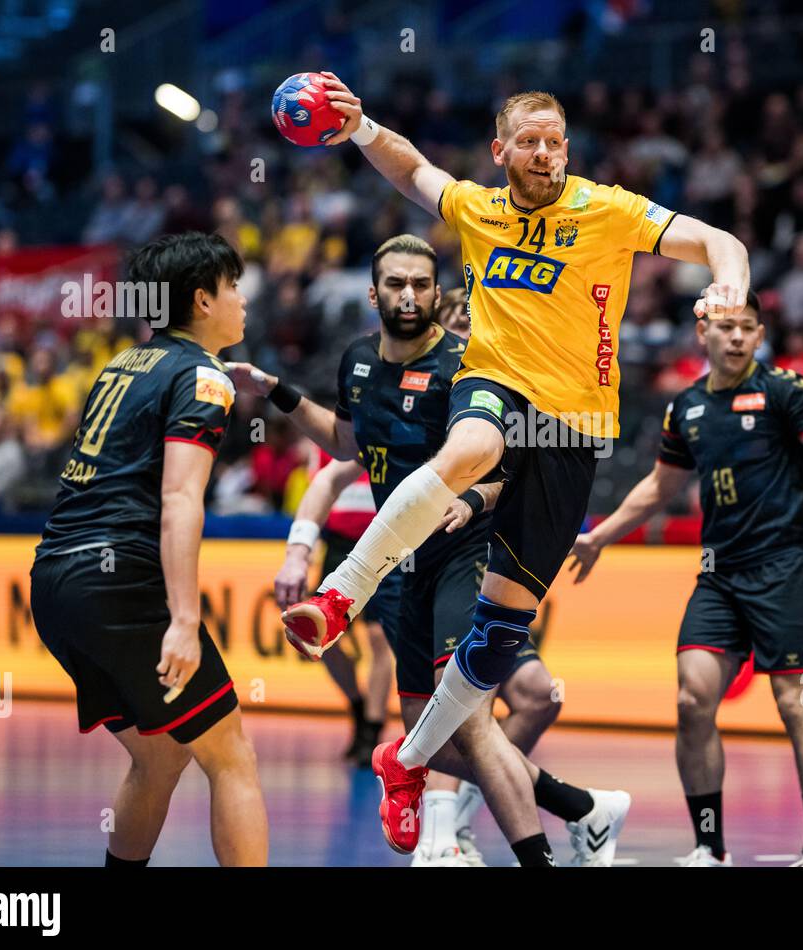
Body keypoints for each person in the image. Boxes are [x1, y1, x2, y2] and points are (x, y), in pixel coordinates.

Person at [273, 78, 750, 866]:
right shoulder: (479, 210)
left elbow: (719, 242)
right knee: (468, 450)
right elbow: (412, 169)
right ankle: (341, 594)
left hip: (576, 426)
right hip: (496, 389)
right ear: (501, 152)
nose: (543, 154)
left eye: (554, 140)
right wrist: (360, 127)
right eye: (527, 141)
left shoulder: (607, 209)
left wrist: (727, 285)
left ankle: (407, 757)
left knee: (497, 641)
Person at [231, 235, 630, 866]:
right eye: (396, 284)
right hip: (401, 571)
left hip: (464, 557)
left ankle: (533, 856)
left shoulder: (468, 367)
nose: (409, 295)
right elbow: (342, 443)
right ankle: (585, 808)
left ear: (438, 292)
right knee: (432, 735)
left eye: (421, 284)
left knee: (468, 721)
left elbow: (516, 464)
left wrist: (474, 501)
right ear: (374, 293)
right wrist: (275, 390)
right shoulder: (359, 361)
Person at [568, 293, 803, 867]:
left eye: (748, 328)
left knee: (796, 704)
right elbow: (658, 488)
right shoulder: (687, 408)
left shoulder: (784, 391)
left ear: (760, 334)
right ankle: (709, 846)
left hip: (782, 568)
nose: (737, 337)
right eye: (726, 327)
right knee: (691, 698)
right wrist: (599, 535)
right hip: (717, 575)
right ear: (704, 334)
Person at [28, 232, 267, 866]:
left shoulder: (120, 364)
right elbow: (181, 500)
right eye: (233, 286)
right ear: (201, 300)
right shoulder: (205, 380)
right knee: (232, 755)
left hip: (53, 579)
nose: (244, 299)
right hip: (121, 579)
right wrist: (185, 621)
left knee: (162, 753)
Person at [277, 451, 396, 765]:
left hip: (384, 544)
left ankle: (372, 727)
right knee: (318, 637)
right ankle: (357, 706)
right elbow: (319, 492)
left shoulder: (388, 427)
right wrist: (302, 555)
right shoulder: (328, 443)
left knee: (380, 639)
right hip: (340, 546)